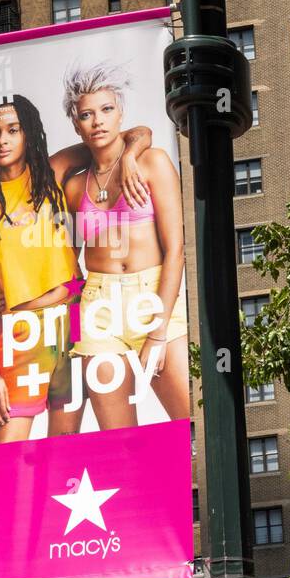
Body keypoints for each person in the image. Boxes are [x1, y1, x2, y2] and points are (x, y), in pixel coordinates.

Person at [0, 93, 152, 443]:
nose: (3, 140)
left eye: (13, 130)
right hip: (21, 333)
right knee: (10, 459)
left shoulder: (50, 173)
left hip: (73, 320)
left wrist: (130, 156)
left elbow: (137, 134)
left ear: (28, 134)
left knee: (64, 449)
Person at [60, 61, 188, 431]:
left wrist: (158, 332)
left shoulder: (152, 163)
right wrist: (74, 329)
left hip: (154, 298)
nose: (98, 121)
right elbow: (70, 268)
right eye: (86, 114)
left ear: (121, 114)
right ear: (75, 123)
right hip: (99, 308)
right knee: (118, 442)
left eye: (106, 109)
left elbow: (176, 250)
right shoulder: (73, 188)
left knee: (191, 422)